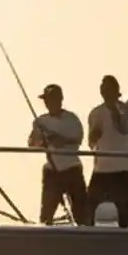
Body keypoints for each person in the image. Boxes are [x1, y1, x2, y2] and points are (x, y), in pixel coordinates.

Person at [28, 84, 89, 225]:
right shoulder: (40, 121)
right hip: (51, 171)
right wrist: (42, 139)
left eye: (51, 99)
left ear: (60, 99)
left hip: (72, 169)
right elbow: (32, 143)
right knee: (46, 215)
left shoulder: (71, 119)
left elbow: (76, 141)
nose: (48, 103)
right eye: (46, 100)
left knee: (81, 214)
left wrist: (58, 138)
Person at [87, 75, 128, 228]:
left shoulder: (126, 110)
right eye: (104, 90)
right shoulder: (95, 113)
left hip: (121, 168)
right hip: (101, 168)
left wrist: (115, 114)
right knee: (89, 206)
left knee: (123, 207)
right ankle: (88, 235)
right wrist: (94, 135)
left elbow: (124, 129)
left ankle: (124, 236)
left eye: (109, 90)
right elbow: (91, 142)